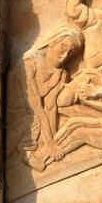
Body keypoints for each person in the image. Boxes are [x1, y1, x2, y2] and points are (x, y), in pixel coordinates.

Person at [15, 23, 83, 168]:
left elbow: (50, 109)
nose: (64, 56)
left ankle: (39, 153)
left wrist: (52, 141)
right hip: (19, 110)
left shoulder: (61, 73)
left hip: (39, 114)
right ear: (53, 41)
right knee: (33, 121)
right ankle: (26, 152)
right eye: (63, 48)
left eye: (70, 53)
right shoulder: (28, 62)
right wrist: (50, 144)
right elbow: (35, 107)